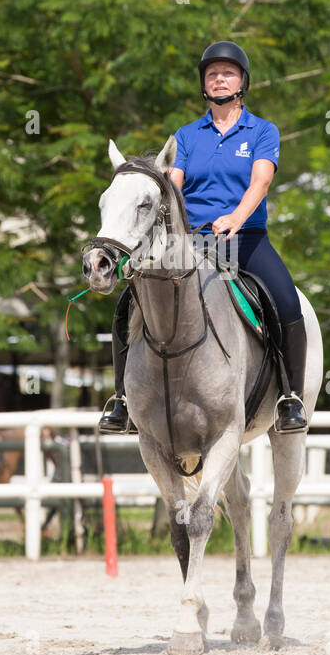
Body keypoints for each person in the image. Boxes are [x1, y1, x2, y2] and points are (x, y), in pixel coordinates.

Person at [99, 40, 309, 434]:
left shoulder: (262, 131)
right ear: (204, 83)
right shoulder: (187, 135)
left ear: (242, 81)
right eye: (212, 74)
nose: (218, 79)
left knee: (285, 301)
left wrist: (235, 217)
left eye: (227, 73)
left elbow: (260, 182)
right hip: (191, 244)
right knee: (128, 304)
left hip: (245, 239)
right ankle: (122, 401)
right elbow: (172, 186)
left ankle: (289, 398)